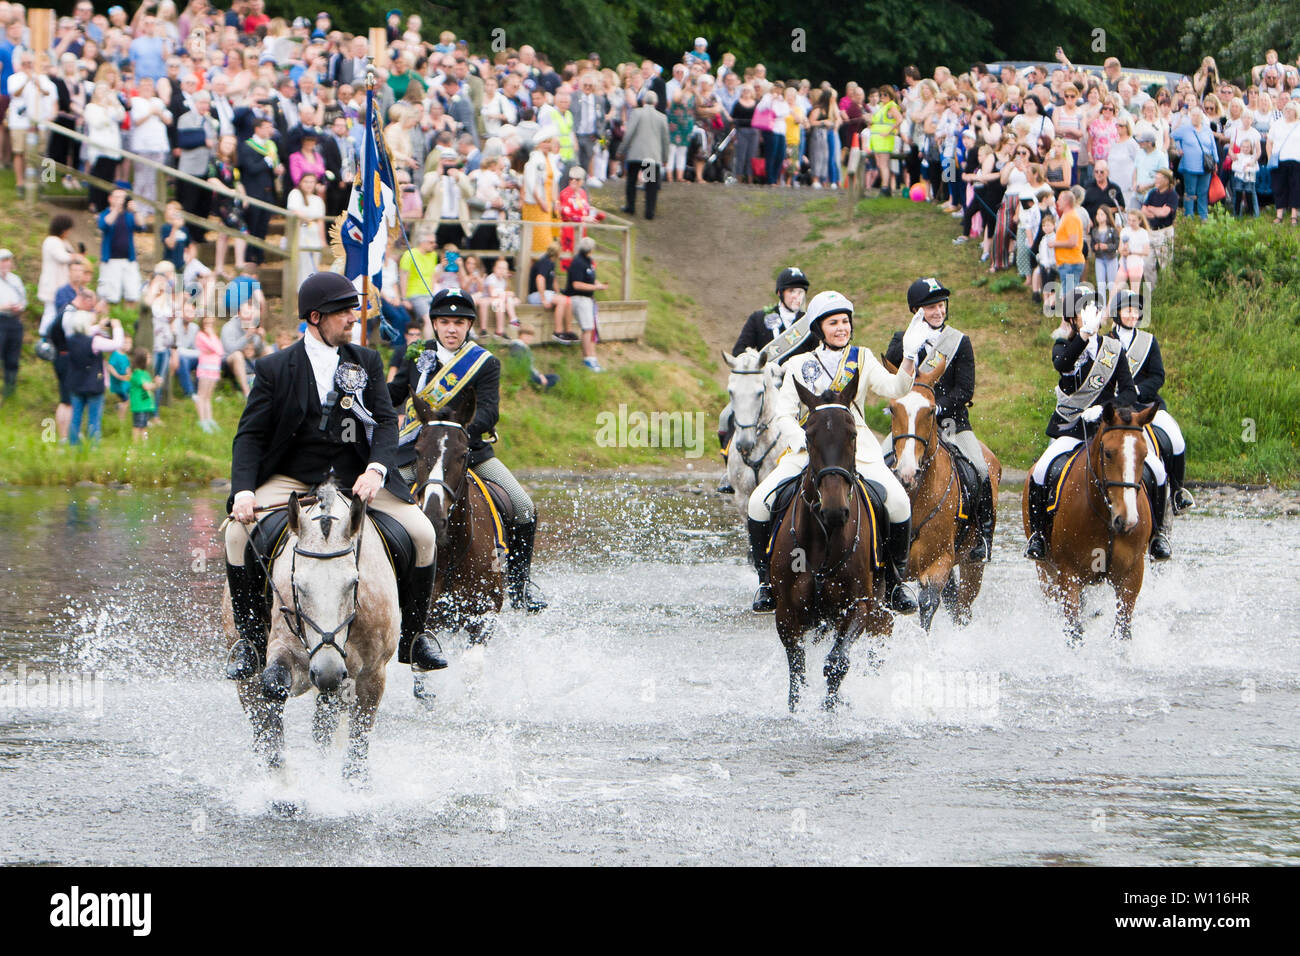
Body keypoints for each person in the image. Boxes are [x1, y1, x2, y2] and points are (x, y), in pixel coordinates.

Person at [223, 271, 445, 681]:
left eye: (352, 310)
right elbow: (250, 435)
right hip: (294, 478)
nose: (351, 318)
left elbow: (384, 421)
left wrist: (377, 468)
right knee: (235, 535)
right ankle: (251, 643)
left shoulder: (367, 361)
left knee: (424, 535)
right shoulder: (274, 368)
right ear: (314, 317)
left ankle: (416, 638)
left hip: (356, 477)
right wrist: (243, 491)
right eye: (342, 312)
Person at [746, 291, 928, 614]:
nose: (841, 328)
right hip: (809, 450)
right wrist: (799, 438)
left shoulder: (862, 358)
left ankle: (897, 582)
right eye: (833, 323)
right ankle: (766, 582)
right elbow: (783, 413)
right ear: (819, 328)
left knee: (898, 502)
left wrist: (910, 356)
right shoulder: (799, 364)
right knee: (758, 503)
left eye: (845, 322)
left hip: (854, 451)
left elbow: (897, 388)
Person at [388, 287, 548, 614]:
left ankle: (519, 587)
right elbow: (392, 394)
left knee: (524, 507)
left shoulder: (485, 363)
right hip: (419, 455)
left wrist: (456, 433)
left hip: (469, 451)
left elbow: (489, 411)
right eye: (444, 321)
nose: (451, 328)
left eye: (459, 322)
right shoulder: (417, 355)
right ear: (434, 324)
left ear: (469, 325)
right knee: (380, 499)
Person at [1024, 286, 1140, 560]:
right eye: (1084, 310)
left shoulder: (1113, 347)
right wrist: (1084, 336)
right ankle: (1038, 536)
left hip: (1105, 427)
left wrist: (1104, 408)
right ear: (1072, 318)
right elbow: (1064, 366)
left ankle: (1156, 533)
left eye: (1095, 310)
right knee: (1041, 472)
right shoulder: (1063, 345)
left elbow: (1128, 391)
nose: (1091, 315)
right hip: (1071, 428)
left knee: (1152, 470)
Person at [883, 278, 995, 562]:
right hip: (910, 425)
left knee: (980, 469)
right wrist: (908, 347)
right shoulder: (901, 340)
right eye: (931, 307)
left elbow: (964, 389)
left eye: (941, 305)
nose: (938, 311)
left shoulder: (959, 341)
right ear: (917, 311)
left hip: (951, 423)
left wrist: (933, 408)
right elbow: (892, 379)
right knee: (880, 462)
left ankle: (983, 536)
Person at [1105, 289, 1192, 558]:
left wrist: (1137, 392)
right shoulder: (1105, 342)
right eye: (1127, 310)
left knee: (1176, 439)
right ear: (1117, 313)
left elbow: (1158, 375)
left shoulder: (1148, 341)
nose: (1132, 314)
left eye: (1135, 310)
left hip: (1145, 407)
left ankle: (1176, 493)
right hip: (1115, 410)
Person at [61, 295, 124, 446]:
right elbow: (117, 344)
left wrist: (98, 327)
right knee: (94, 419)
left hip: (76, 383)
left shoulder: (70, 339)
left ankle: (73, 446)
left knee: (76, 418)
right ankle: (93, 447)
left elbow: (86, 331)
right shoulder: (94, 342)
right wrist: (117, 327)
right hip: (94, 385)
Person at [618, 90, 670, 219]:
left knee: (631, 181)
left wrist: (621, 150)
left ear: (643, 101)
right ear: (656, 103)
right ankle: (649, 211)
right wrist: (664, 157)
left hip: (636, 154)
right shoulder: (661, 117)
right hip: (651, 157)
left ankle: (630, 207)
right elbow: (665, 140)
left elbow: (629, 133)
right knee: (651, 184)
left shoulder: (637, 113)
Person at [564, 235, 607, 372]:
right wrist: (595, 288)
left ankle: (593, 357)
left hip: (588, 299)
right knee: (587, 328)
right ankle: (587, 358)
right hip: (579, 298)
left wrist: (598, 284)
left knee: (592, 329)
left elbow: (589, 280)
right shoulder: (578, 262)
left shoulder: (589, 262)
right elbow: (576, 284)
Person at [96, 187, 143, 305]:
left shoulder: (129, 215)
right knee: (109, 296)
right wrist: (116, 209)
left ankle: (128, 319)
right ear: (110, 199)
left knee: (132, 294)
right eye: (117, 197)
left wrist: (136, 211)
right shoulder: (105, 214)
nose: (120, 200)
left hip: (129, 260)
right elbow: (104, 224)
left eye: (123, 197)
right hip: (110, 260)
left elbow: (141, 226)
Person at [527, 241, 573, 343]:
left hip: (547, 293)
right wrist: (543, 299)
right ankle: (558, 332)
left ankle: (569, 331)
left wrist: (558, 293)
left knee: (568, 301)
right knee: (562, 301)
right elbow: (540, 278)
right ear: (558, 253)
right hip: (536, 294)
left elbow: (554, 280)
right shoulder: (545, 262)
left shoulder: (551, 263)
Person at [0, 248, 25, 398]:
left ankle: (10, 390)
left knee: (12, 356)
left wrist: (19, 307)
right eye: (3, 260)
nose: (6, 263)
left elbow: (23, 300)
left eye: (8, 260)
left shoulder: (15, 280)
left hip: (14, 320)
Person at [127, 346, 160, 441]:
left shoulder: (145, 373)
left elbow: (149, 385)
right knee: (137, 426)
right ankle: (135, 444)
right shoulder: (137, 374)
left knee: (144, 425)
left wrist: (154, 382)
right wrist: (156, 384)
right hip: (139, 406)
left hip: (145, 405)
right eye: (148, 357)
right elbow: (146, 386)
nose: (150, 359)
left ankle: (145, 444)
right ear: (142, 359)